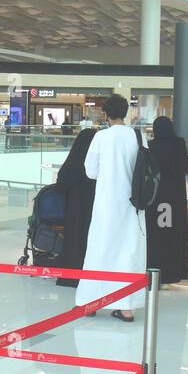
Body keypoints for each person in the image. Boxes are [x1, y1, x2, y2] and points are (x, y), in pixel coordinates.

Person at [74, 94, 146, 322]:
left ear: (105, 114)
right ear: (126, 112)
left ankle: (92, 303)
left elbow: (90, 171)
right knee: (129, 252)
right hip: (133, 204)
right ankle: (126, 307)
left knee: (99, 250)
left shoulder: (101, 137)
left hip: (106, 203)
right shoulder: (138, 135)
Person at [145, 116, 188, 285]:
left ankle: (154, 274)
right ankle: (172, 273)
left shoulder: (151, 146)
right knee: (172, 234)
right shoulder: (179, 144)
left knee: (155, 236)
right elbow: (185, 167)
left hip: (155, 199)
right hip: (174, 198)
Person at [54, 126, 97, 289]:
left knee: (74, 242)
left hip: (75, 211)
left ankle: (72, 277)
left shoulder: (74, 161)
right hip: (98, 212)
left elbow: (60, 185)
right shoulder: (102, 164)